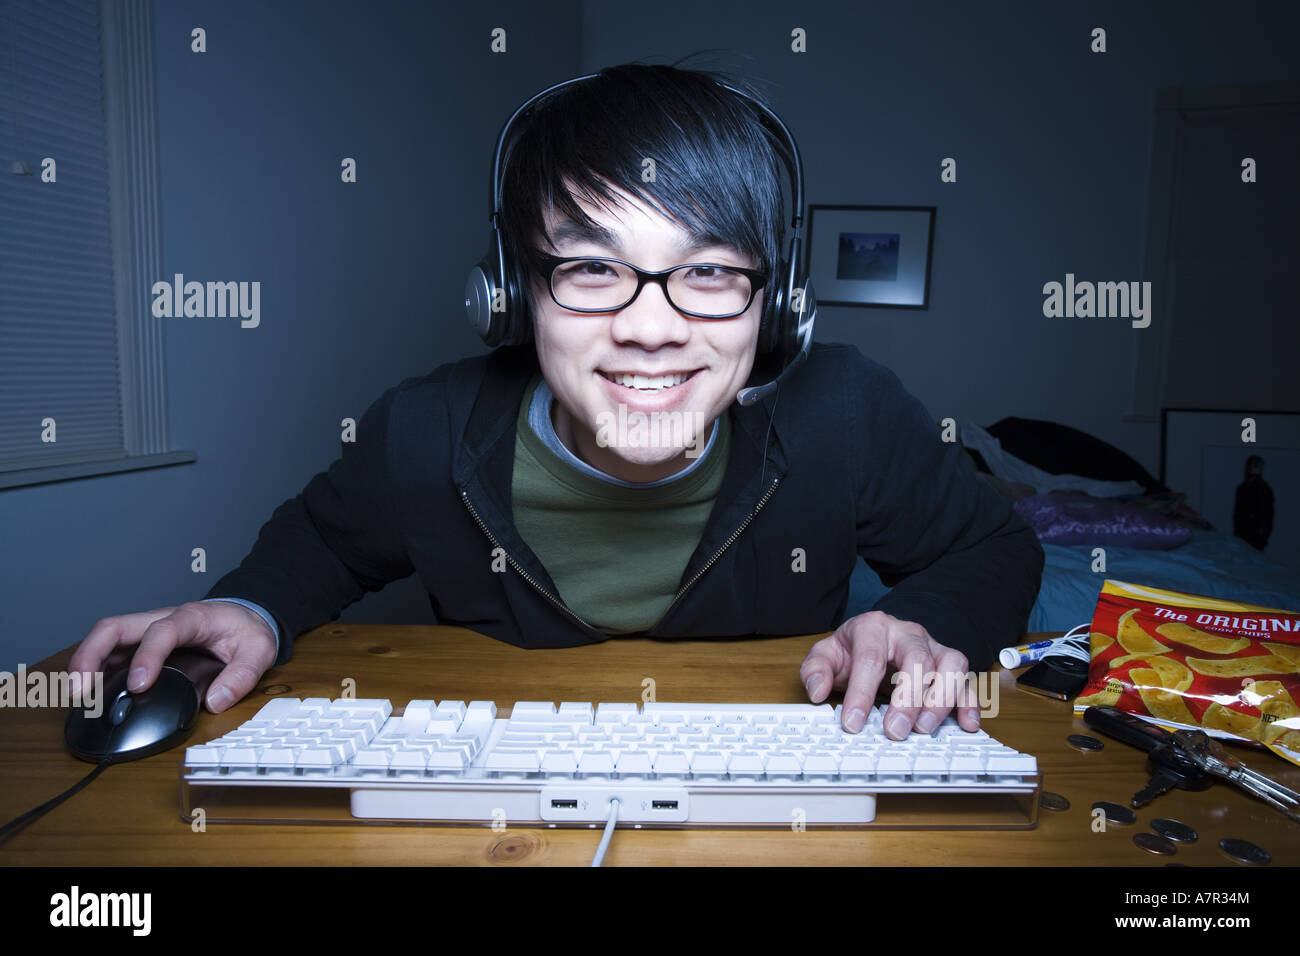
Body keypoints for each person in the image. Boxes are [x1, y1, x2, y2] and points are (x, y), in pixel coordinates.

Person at [70, 62, 1044, 741]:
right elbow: (324, 541)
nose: (652, 327)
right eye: (590, 267)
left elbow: (994, 547)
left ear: (779, 306)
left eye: (706, 271)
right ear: (508, 293)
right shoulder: (425, 428)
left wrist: (923, 623)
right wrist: (254, 606)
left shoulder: (847, 410)